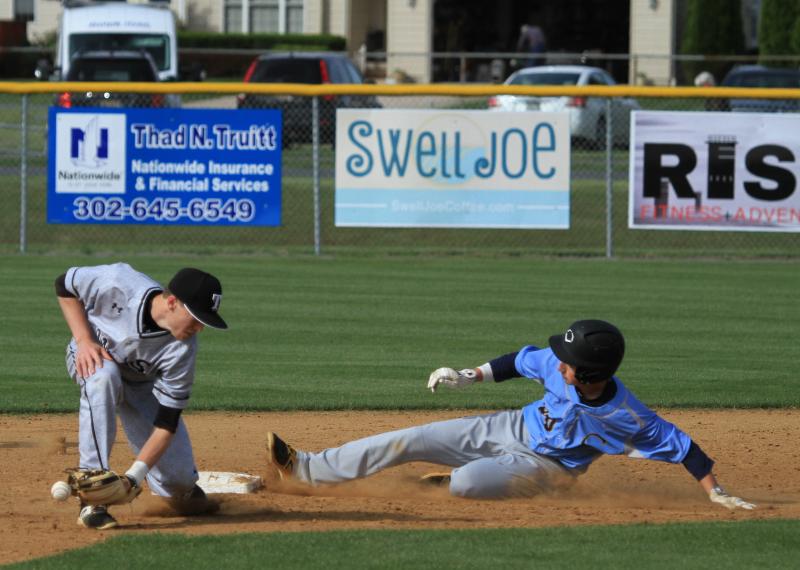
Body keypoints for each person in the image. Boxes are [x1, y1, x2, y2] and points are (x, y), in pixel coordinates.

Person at [265, 319, 754, 510]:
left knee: (464, 486)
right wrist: (467, 375)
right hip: (506, 426)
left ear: (588, 375)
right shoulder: (556, 365)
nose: (555, 361)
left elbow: (684, 448)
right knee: (411, 439)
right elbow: (515, 362)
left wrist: (718, 494)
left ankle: (464, 478)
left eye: (567, 361)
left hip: (546, 467)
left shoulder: (628, 416)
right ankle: (307, 467)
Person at [56, 263, 228, 529]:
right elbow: (64, 284)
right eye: (195, 318)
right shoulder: (118, 282)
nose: (199, 328)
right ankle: (92, 499)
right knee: (103, 377)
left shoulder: (182, 349)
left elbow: (167, 421)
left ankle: (181, 489)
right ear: (172, 302)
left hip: (141, 386)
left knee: (180, 482)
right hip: (92, 358)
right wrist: (83, 340)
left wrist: (134, 477)